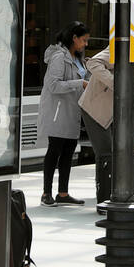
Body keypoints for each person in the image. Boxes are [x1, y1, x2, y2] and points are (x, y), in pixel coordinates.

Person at [80, 36, 134, 208]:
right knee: (106, 154)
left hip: (115, 113)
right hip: (94, 109)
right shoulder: (120, 51)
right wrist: (117, 83)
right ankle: (104, 200)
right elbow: (93, 63)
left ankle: (110, 194)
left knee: (115, 155)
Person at [38, 22, 89, 206]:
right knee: (54, 151)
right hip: (58, 112)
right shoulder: (59, 58)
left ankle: (63, 193)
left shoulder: (76, 58)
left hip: (71, 111)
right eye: (83, 40)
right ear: (74, 38)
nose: (85, 44)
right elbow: (53, 85)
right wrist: (79, 83)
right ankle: (46, 194)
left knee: (68, 152)